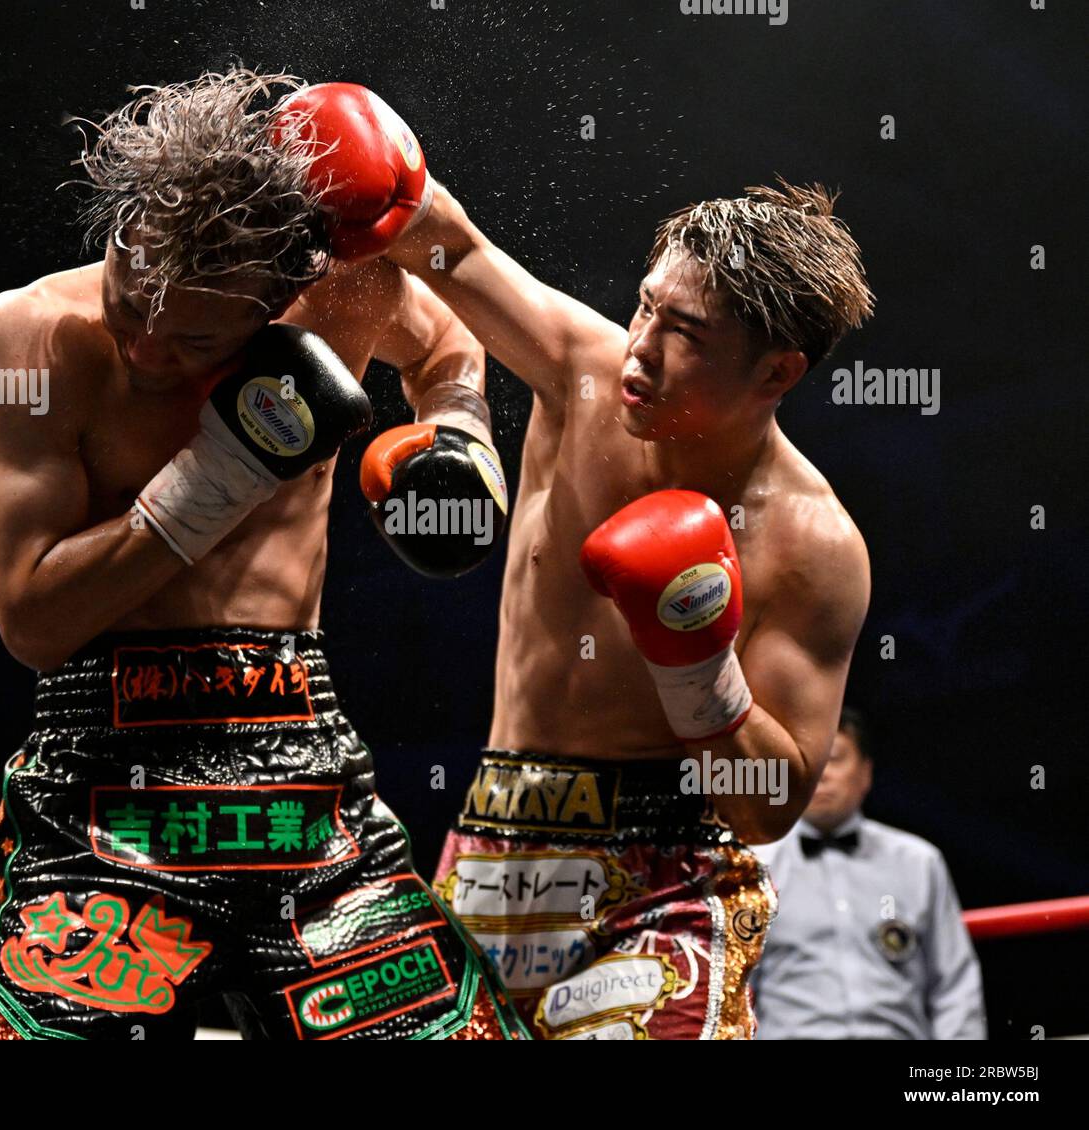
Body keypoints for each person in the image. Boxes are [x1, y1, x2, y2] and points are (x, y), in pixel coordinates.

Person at [0, 70, 525, 1040]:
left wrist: (459, 434)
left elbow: (449, 344)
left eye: (193, 338)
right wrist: (220, 473)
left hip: (305, 771)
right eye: (131, 302)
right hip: (107, 782)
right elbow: (32, 623)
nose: (145, 349)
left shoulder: (347, 294)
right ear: (121, 233)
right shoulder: (33, 339)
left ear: (278, 302)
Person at [295, 88, 876, 1038]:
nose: (641, 350)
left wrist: (697, 664)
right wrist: (371, 174)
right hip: (490, 849)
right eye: (646, 308)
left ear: (777, 371)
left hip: (665, 881)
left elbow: (768, 808)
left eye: (686, 334)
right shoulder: (584, 371)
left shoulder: (814, 544)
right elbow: (452, 249)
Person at [749, 708, 987, 1039]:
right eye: (809, 762)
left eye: (833, 759)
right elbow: (733, 993)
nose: (821, 775)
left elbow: (954, 988)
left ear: (865, 773)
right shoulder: (754, 869)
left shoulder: (919, 862)